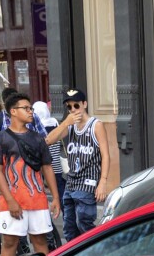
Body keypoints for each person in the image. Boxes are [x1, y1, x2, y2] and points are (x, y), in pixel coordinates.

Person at [0, 92, 61, 256]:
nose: (31, 112)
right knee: (9, 243)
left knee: (41, 242)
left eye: (31, 109)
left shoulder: (37, 138)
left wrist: (56, 198)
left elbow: (47, 167)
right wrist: (10, 200)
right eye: (26, 108)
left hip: (38, 200)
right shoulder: (1, 139)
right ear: (13, 111)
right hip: (12, 201)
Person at [45, 88, 114, 242]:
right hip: (71, 183)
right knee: (69, 228)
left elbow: (106, 155)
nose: (73, 110)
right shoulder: (69, 126)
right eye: (69, 107)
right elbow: (48, 140)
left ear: (85, 104)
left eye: (76, 105)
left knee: (83, 223)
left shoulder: (96, 125)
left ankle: (100, 249)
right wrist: (65, 123)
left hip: (88, 183)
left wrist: (103, 182)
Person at [31, 101, 66, 209]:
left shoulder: (38, 127)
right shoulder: (54, 122)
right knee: (61, 192)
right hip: (56, 165)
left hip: (44, 165)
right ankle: (65, 212)